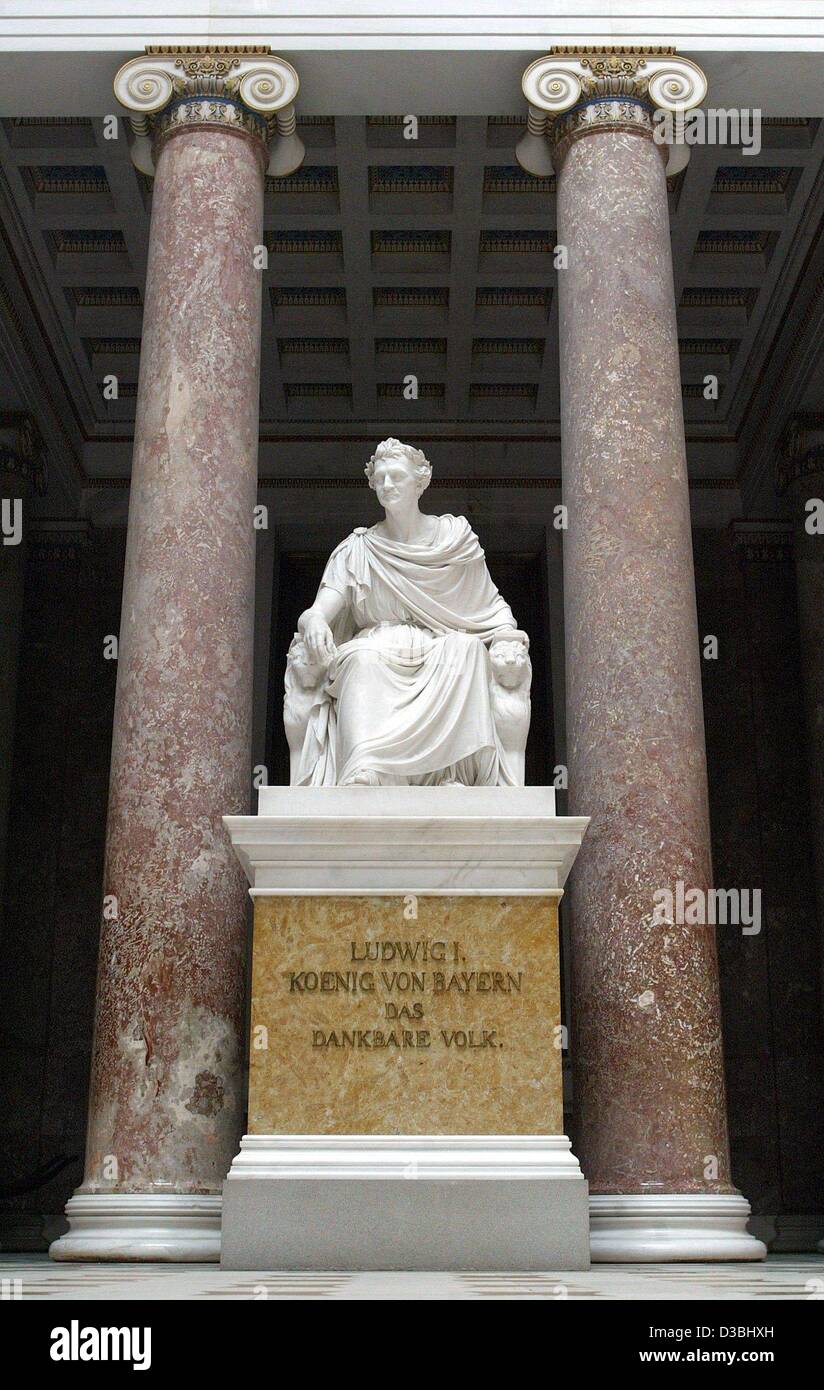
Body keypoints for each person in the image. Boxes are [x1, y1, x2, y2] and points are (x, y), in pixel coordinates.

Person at [290, 438, 530, 786]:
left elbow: (489, 604)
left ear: (421, 481)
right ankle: (368, 769)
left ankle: (452, 773)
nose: (388, 485)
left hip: (440, 642)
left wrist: (508, 636)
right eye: (381, 478)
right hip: (378, 643)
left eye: (397, 477)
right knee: (361, 658)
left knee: (466, 651)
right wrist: (312, 619)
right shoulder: (358, 548)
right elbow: (319, 609)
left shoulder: (454, 538)